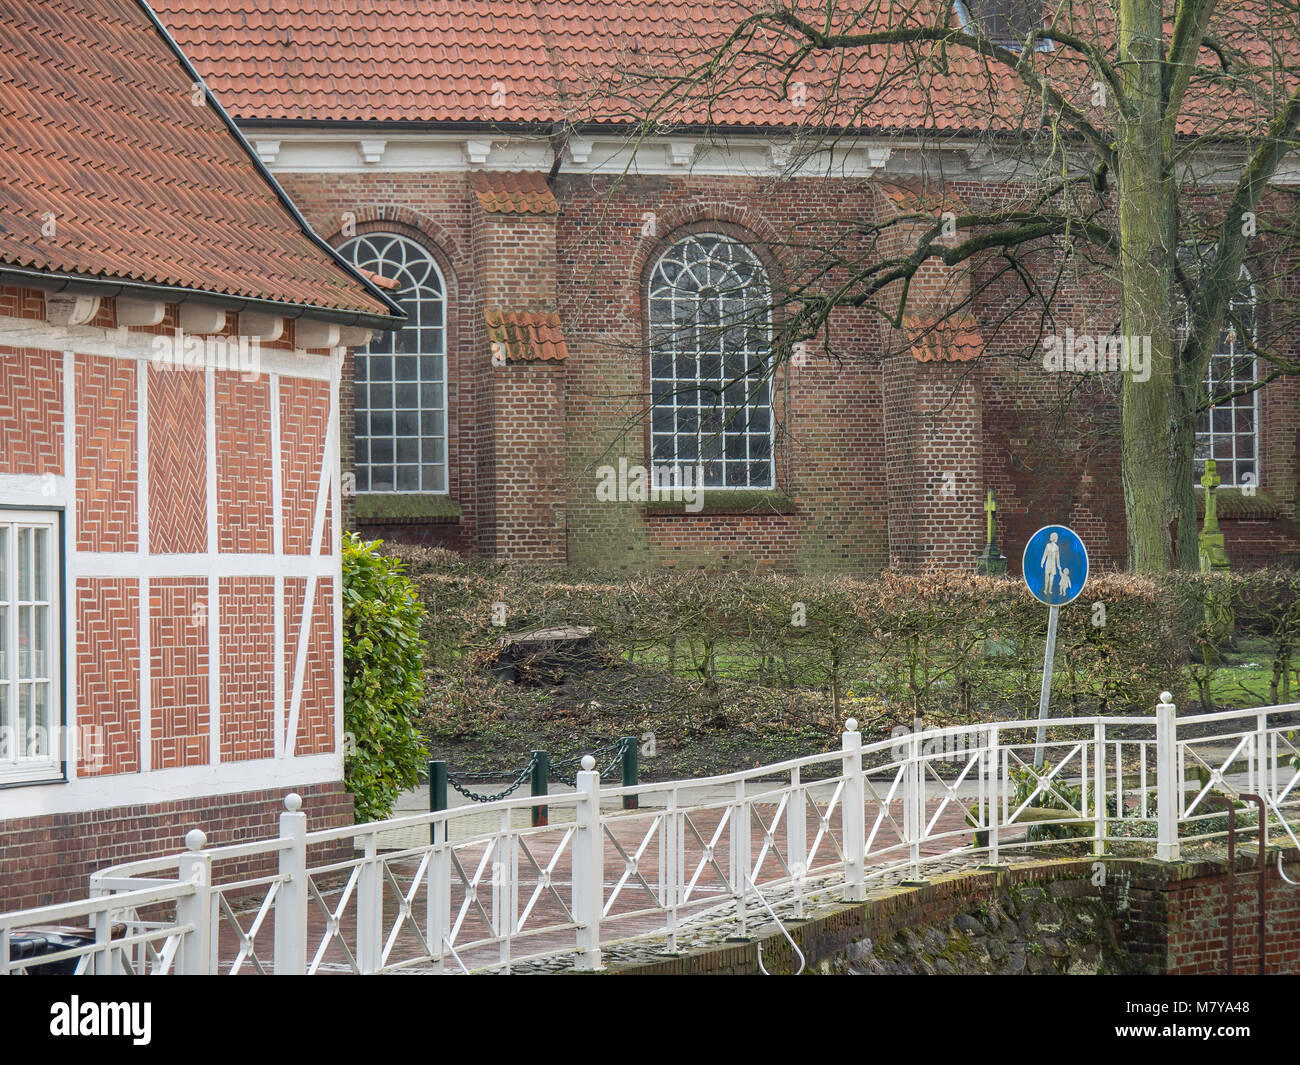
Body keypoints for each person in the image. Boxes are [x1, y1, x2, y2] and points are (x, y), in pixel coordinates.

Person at [1041, 532, 1061, 596]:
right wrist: (1042, 562)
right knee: (1047, 576)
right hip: (1048, 562)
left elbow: (1057, 558)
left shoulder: (1057, 547)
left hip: (1053, 564)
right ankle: (1045, 590)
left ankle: (1050, 590)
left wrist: (1058, 566)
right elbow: (1045, 554)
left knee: (1052, 577)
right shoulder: (1048, 545)